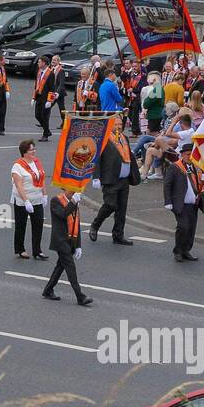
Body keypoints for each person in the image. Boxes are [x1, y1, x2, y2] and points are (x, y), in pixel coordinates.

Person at [89, 116, 141, 245]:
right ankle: (95, 225)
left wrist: (136, 173)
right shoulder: (104, 139)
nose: (119, 127)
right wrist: (96, 177)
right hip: (111, 179)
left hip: (124, 179)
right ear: (110, 126)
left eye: (120, 124)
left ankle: (118, 235)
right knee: (110, 204)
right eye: (116, 124)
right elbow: (97, 159)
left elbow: (130, 156)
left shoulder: (125, 138)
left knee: (122, 209)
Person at [42, 187, 94, 305]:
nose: (74, 193)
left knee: (60, 267)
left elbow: (76, 223)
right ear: (65, 189)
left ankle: (48, 289)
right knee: (70, 267)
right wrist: (73, 202)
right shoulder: (56, 200)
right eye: (72, 190)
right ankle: (80, 296)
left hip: (70, 241)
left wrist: (78, 245)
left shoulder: (74, 202)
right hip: (60, 241)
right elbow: (63, 214)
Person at [162, 144, 204, 262]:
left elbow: (202, 184)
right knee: (183, 227)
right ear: (182, 155)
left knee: (191, 229)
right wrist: (168, 201)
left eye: (191, 155)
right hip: (180, 204)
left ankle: (186, 250)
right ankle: (178, 251)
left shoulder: (196, 167)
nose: (189, 157)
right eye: (187, 154)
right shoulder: (175, 167)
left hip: (194, 204)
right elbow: (167, 184)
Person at [10, 139, 47, 260]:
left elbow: (42, 178)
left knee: (38, 225)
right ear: (24, 152)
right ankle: (20, 249)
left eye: (34, 149)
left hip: (37, 199)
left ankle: (37, 250)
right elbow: (19, 185)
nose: (34, 151)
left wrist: (44, 194)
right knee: (21, 226)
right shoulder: (17, 166)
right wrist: (26, 201)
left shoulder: (37, 162)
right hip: (23, 201)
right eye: (31, 150)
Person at [33, 56, 59, 141]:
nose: (38, 63)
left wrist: (49, 101)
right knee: (37, 115)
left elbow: (52, 88)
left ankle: (45, 135)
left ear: (44, 63)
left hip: (46, 98)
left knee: (45, 116)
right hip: (39, 96)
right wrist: (34, 97)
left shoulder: (50, 73)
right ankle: (47, 130)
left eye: (39, 62)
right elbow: (37, 84)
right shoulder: (39, 71)